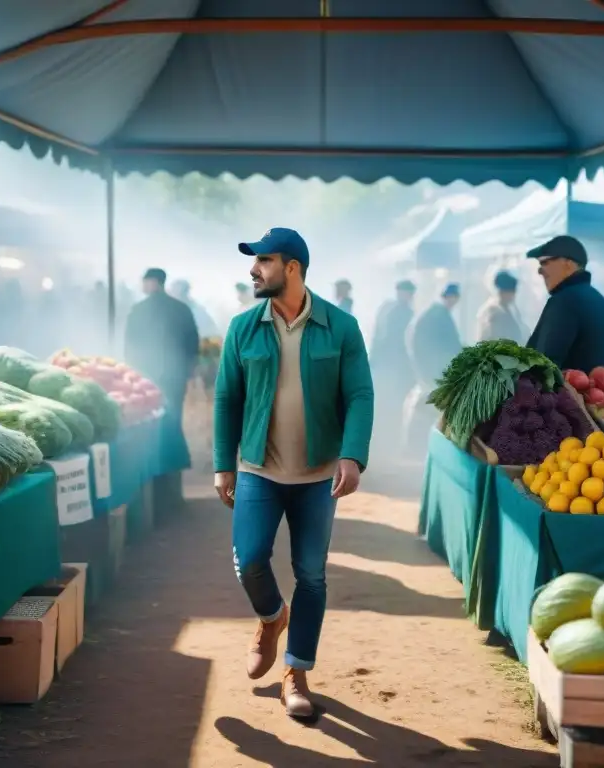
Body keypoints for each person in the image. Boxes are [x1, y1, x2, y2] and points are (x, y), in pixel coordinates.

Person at [213, 227, 373, 720]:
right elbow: (227, 399)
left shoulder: (341, 327)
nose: (254, 270)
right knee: (250, 559)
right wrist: (223, 464)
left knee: (311, 575)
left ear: (293, 267)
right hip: (258, 469)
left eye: (264, 260)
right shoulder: (242, 327)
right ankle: (269, 618)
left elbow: (359, 395)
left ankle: (296, 673)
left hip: (317, 474)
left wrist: (352, 455)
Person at [125, 268, 200, 489]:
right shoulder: (181, 309)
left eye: (144, 281)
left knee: (150, 420)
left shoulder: (138, 310)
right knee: (173, 417)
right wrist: (187, 370)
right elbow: (193, 343)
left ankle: (155, 469)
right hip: (174, 374)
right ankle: (173, 470)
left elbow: (130, 346)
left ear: (153, 282)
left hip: (147, 374)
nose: (143, 285)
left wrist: (132, 372)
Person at [526, 235, 604, 371]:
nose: (540, 272)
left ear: (568, 263)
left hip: (563, 392)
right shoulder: (600, 301)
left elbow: (543, 366)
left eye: (545, 263)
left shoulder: (564, 302)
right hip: (595, 391)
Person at [404, 283, 462, 455]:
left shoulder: (431, 312)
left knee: (423, 405)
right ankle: (417, 446)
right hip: (433, 370)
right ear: (450, 297)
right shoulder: (440, 314)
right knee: (427, 408)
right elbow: (451, 345)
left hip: (426, 368)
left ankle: (413, 445)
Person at [369, 279, 417, 448]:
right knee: (393, 404)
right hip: (394, 367)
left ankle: (382, 440)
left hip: (384, 365)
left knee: (385, 403)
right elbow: (401, 343)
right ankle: (389, 441)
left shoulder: (386, 308)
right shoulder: (404, 313)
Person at [476, 270, 524, 343]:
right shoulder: (494, 311)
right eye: (512, 292)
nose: (513, 295)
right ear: (504, 292)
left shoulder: (507, 309)